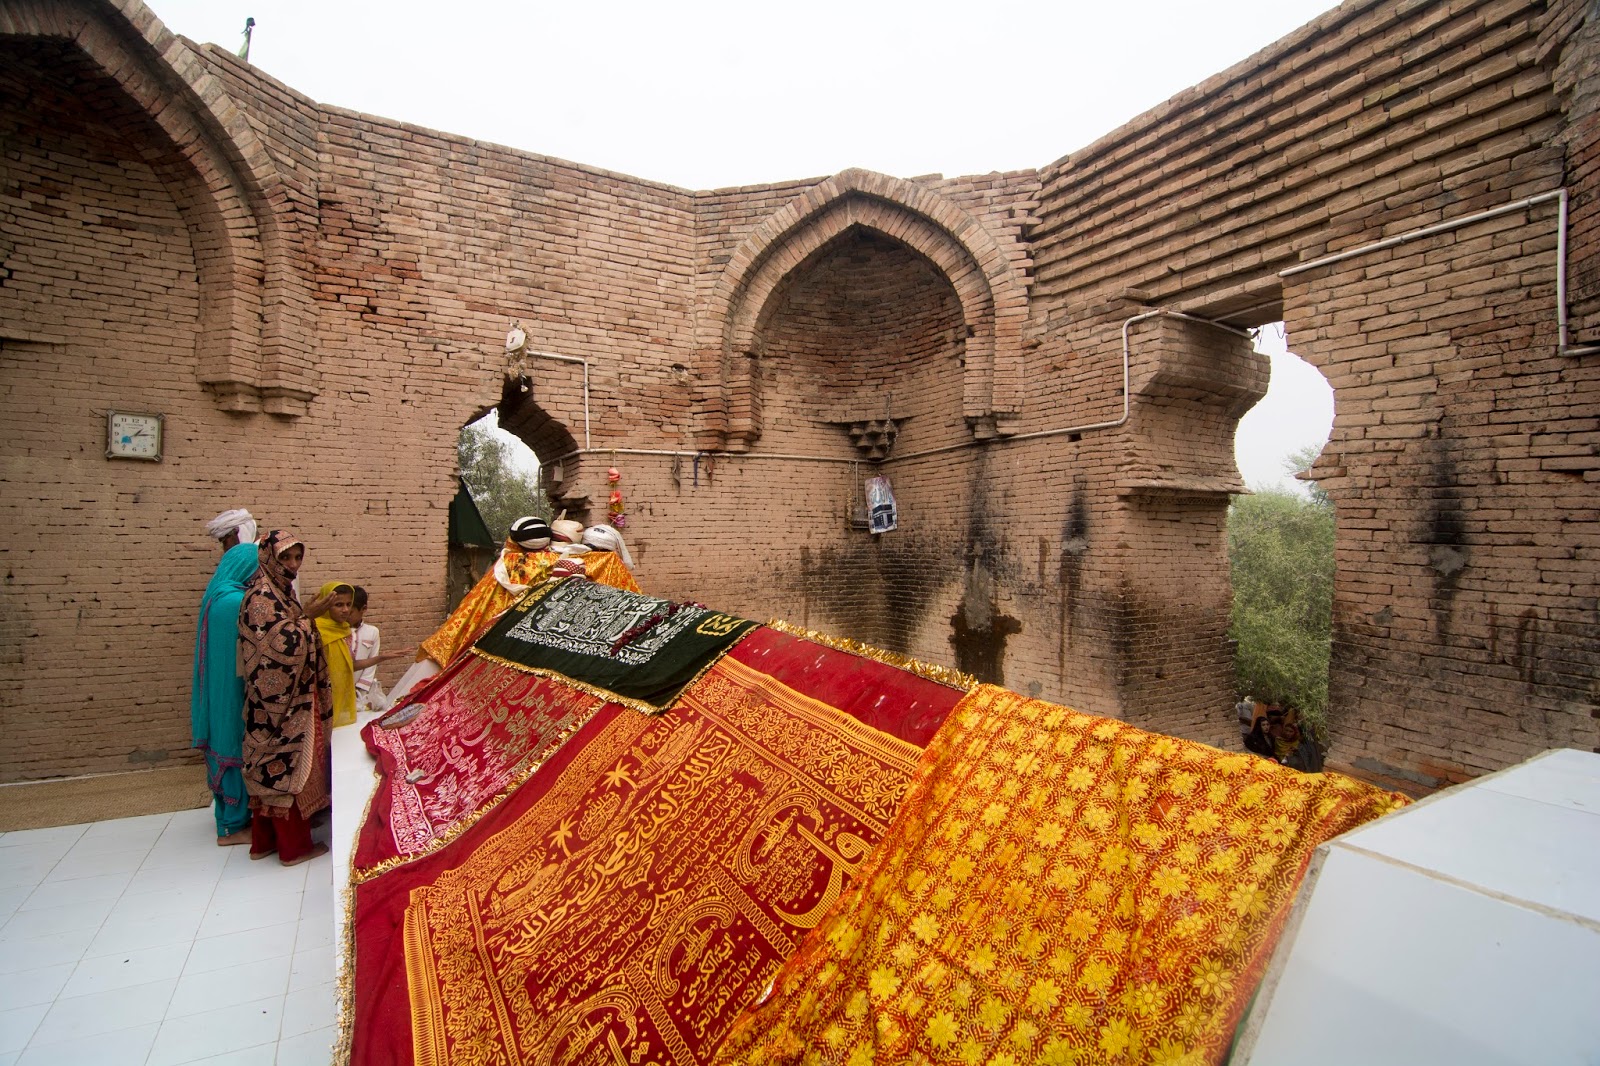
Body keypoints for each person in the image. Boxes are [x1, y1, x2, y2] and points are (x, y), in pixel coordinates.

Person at [238, 530, 333, 866]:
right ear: (268, 558)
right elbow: (281, 648)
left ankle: (263, 842)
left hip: (286, 702)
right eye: (285, 558)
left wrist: (304, 617)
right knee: (287, 770)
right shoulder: (261, 599)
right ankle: (294, 848)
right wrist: (308, 618)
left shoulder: (280, 593)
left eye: (297, 557)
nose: (293, 564)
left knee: (270, 772)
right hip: (279, 706)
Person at [191, 540, 260, 845]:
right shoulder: (234, 601)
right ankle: (233, 827)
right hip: (232, 692)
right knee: (233, 745)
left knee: (225, 743)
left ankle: (228, 820)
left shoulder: (217, 595)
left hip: (219, 690)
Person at [314, 582, 359, 728]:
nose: (346, 610)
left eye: (348, 604)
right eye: (339, 605)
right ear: (326, 605)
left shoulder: (344, 630)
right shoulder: (316, 630)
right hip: (320, 697)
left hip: (340, 695)